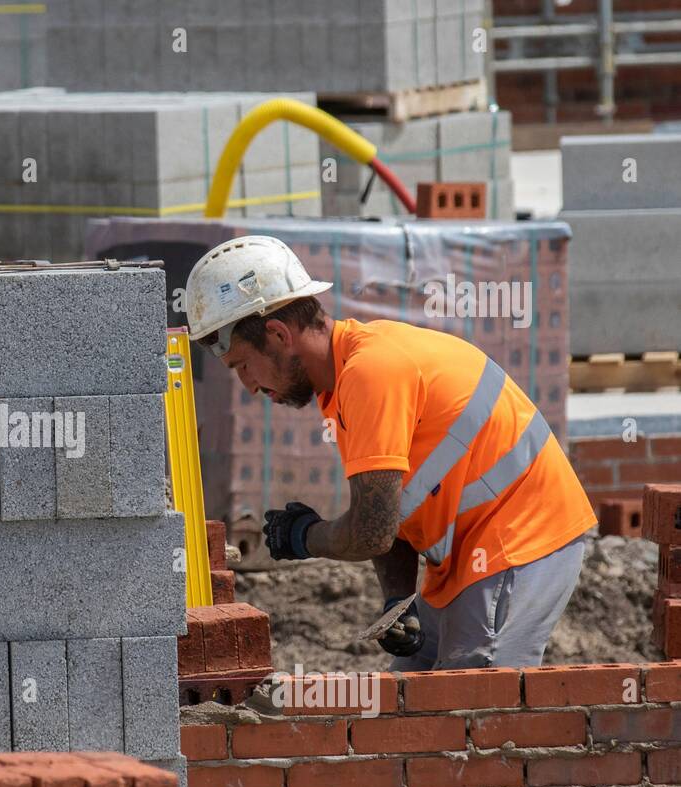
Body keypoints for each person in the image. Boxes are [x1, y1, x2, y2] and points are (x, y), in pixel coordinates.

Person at [186, 235, 596, 670]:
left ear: (278, 333)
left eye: (243, 366)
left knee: (470, 706)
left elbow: (370, 531)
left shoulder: (371, 373)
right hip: (469, 554)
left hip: (520, 541)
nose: (248, 386)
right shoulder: (344, 381)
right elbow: (389, 514)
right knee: (411, 693)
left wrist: (305, 536)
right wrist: (399, 600)